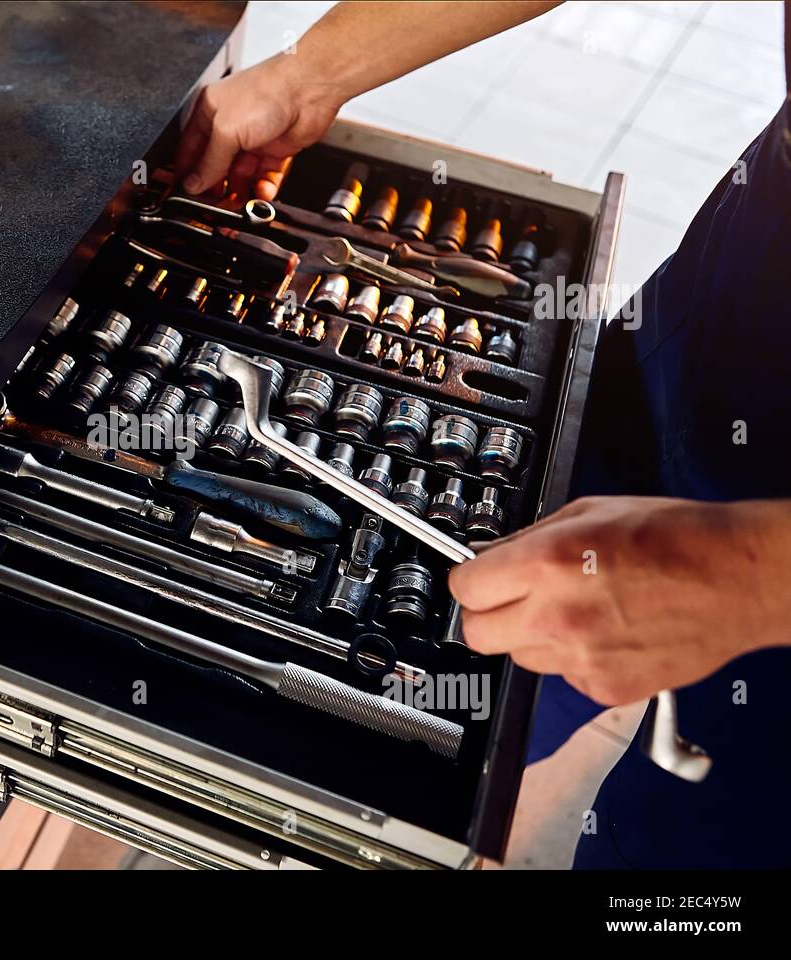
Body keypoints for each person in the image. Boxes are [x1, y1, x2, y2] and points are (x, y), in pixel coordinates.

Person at [176, 1, 791, 868]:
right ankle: (525, 728)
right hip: (761, 249)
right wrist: (307, 73)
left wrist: (750, 578)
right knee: (548, 581)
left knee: (690, 846)